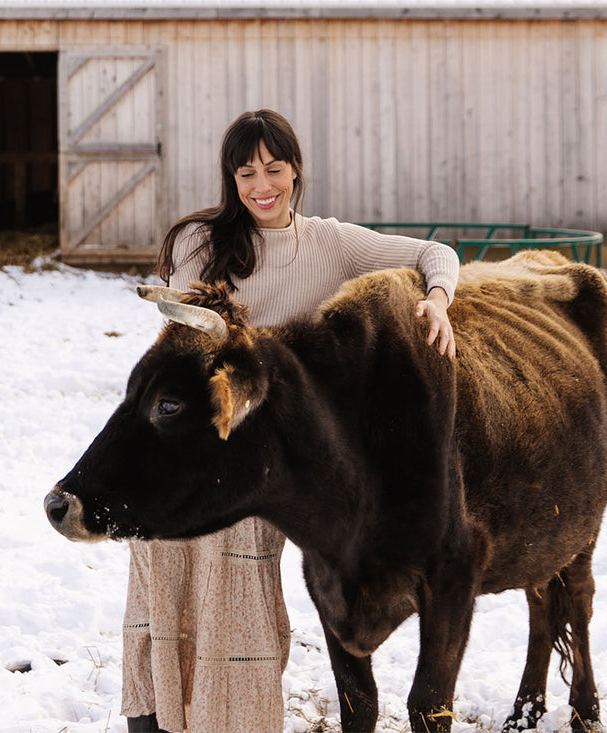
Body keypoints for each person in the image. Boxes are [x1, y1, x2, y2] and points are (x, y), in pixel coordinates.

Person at [120, 109, 459, 733]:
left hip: (270, 450)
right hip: (199, 434)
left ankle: (231, 717)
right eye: (246, 173)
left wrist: (437, 298)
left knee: (237, 580)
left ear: (296, 171)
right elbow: (188, 355)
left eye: (273, 169)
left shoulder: (331, 244)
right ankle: (158, 714)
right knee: (162, 553)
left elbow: (434, 252)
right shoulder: (200, 242)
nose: (261, 186)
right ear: (231, 179)